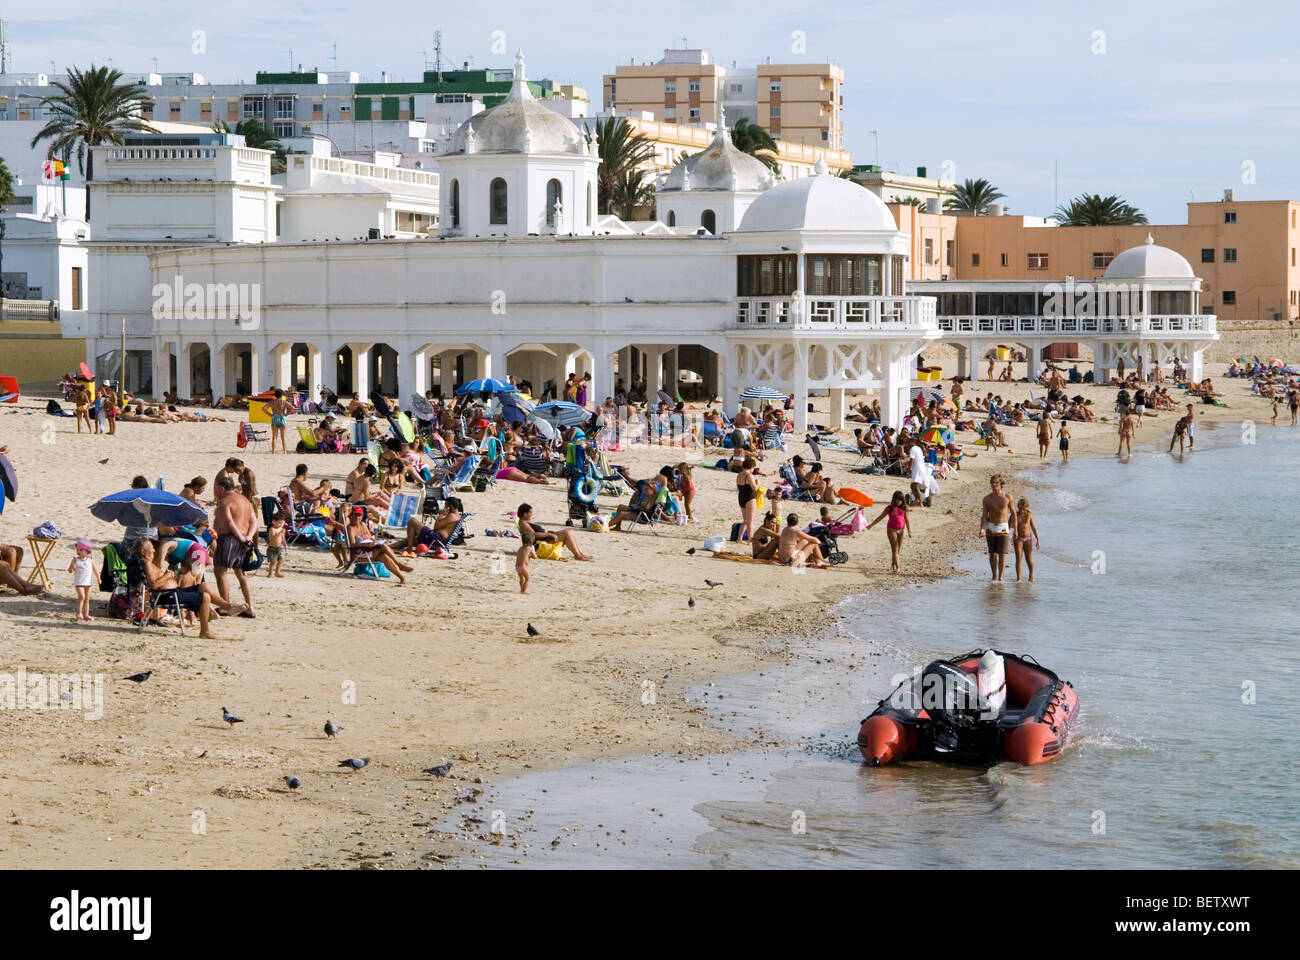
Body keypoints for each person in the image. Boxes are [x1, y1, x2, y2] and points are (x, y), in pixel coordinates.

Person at [135, 540, 245, 639]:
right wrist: (167, 576)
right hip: (166, 596)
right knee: (205, 597)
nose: (154, 549)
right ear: (144, 552)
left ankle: (227, 606)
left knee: (204, 586)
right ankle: (205, 631)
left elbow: (155, 581)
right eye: (151, 548)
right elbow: (154, 585)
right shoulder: (148, 564)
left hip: (172, 593)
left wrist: (166, 575)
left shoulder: (150, 563)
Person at [212, 475, 258, 617]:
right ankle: (250, 607)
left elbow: (230, 522)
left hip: (229, 538)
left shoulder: (225, 501)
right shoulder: (245, 500)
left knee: (220, 571)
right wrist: (248, 537)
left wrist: (239, 537)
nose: (215, 492)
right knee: (242, 573)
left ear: (221, 488)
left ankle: (225, 605)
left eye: (215, 489)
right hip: (244, 537)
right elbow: (254, 522)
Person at [516, 503, 594, 561]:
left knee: (569, 531)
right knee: (567, 533)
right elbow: (533, 535)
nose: (531, 515)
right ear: (525, 514)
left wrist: (548, 532)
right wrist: (548, 534)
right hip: (540, 543)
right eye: (530, 513)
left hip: (545, 538)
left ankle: (580, 554)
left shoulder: (525, 522)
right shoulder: (523, 523)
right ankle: (577, 555)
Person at [978, 474, 1016, 583]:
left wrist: (1015, 529)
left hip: (1003, 527)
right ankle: (994, 576)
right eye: (993, 483)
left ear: (1001, 484)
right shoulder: (987, 499)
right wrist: (982, 529)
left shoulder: (1007, 497)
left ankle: (1001, 577)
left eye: (996, 483)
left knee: (1002, 554)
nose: (994, 485)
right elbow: (985, 515)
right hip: (990, 527)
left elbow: (1013, 513)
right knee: (992, 554)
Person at [866, 491, 911, 573]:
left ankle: (893, 564)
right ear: (894, 499)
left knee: (898, 549)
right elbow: (880, 517)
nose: (899, 502)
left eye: (900, 500)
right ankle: (898, 567)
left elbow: (907, 520)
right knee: (895, 548)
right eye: (897, 500)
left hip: (901, 530)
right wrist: (871, 525)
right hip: (891, 530)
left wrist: (909, 531)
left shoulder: (905, 508)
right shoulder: (889, 508)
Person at [68, 539, 98, 621]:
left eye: (81, 550)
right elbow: (70, 570)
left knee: (87, 599)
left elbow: (95, 570)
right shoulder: (75, 560)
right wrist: (72, 567)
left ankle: (86, 614)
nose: (78, 551)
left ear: (87, 551)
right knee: (82, 597)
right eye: (77, 549)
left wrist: (98, 578)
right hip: (79, 582)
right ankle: (79, 613)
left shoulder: (90, 559)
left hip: (88, 582)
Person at [1013, 497, 1040, 582]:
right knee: (1018, 558)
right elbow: (1012, 525)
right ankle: (1019, 578)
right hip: (1018, 539)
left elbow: (1033, 527)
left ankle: (1031, 574)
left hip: (1028, 539)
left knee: (1029, 559)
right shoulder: (1016, 515)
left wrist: (1038, 539)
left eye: (1023, 508)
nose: (1021, 510)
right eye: (1020, 508)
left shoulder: (1029, 515)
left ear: (1027, 507)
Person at [736, 456, 760, 542]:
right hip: (750, 498)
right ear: (752, 466)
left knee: (745, 520)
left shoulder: (739, 474)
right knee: (750, 521)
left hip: (741, 497)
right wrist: (758, 483)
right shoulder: (749, 475)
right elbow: (754, 488)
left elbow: (738, 487)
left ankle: (739, 539)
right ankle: (750, 540)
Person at [262, 389, 292, 454]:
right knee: (283, 437)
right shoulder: (283, 402)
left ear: (275, 395)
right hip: (282, 417)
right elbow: (292, 407)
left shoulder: (272, 402)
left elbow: (263, 408)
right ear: (281, 395)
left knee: (274, 436)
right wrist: (287, 414)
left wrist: (270, 414)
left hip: (274, 417)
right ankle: (284, 451)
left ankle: (273, 451)